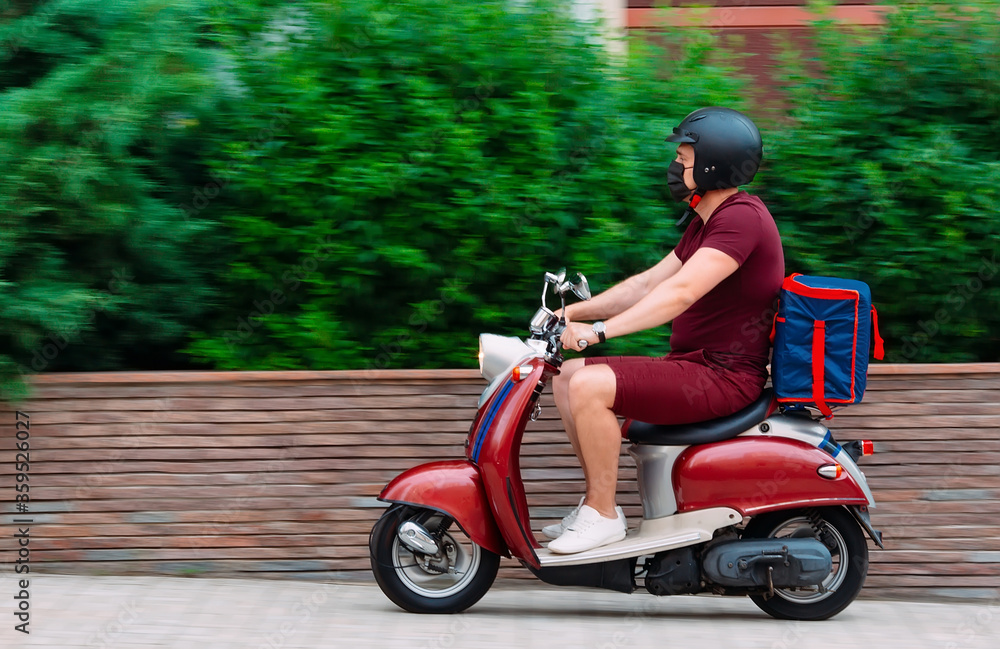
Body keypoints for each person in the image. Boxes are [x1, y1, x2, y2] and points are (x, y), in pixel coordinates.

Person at [544, 107, 785, 554]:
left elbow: (680, 294)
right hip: (695, 367)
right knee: (567, 378)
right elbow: (648, 283)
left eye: (684, 157)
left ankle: (603, 513)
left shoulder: (741, 219)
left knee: (591, 385)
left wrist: (598, 333)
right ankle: (596, 505)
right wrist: (572, 315)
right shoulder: (706, 222)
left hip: (724, 377)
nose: (676, 167)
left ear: (713, 163)